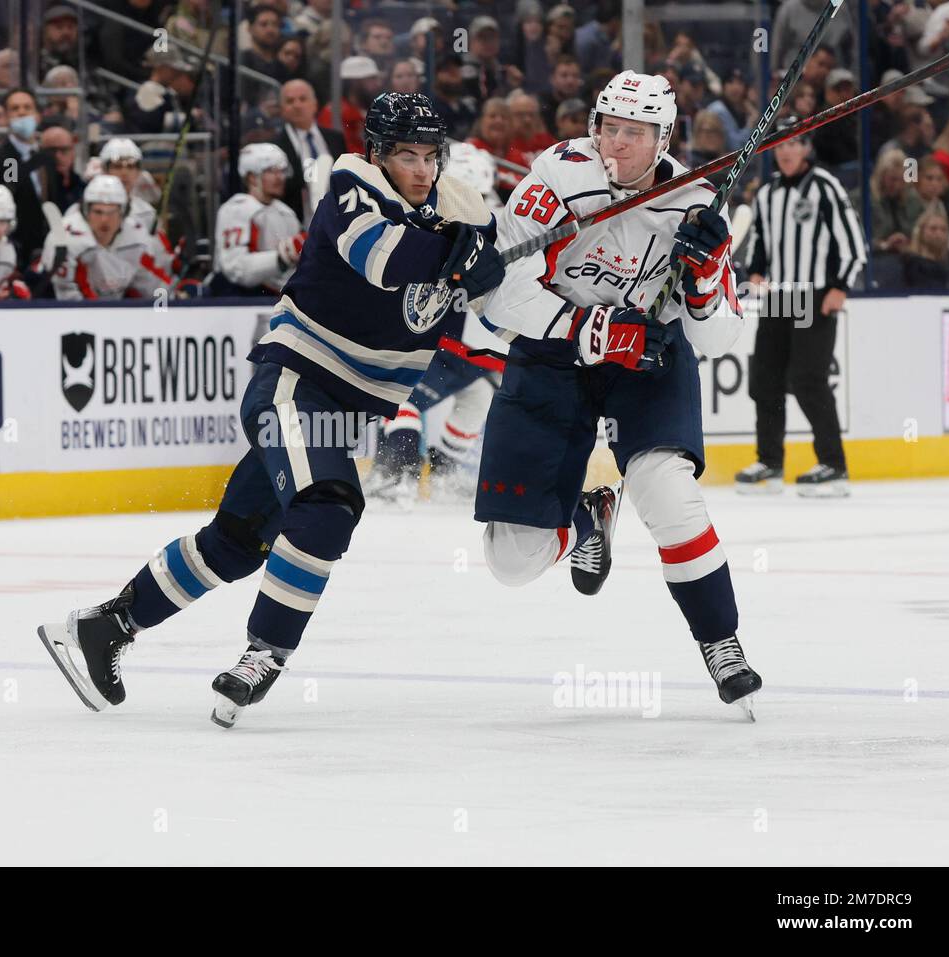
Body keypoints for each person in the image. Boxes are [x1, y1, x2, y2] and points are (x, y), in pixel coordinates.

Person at [37, 92, 504, 727]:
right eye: (405, 155)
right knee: (329, 505)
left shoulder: (459, 222)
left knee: (235, 545)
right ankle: (266, 653)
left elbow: (492, 319)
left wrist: (496, 273)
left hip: (347, 414)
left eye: (430, 157)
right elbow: (387, 259)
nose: (420, 170)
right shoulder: (351, 186)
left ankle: (104, 627)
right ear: (378, 154)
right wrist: (465, 258)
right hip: (293, 385)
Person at [477, 70, 763, 715]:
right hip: (553, 355)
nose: (616, 145)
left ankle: (722, 644)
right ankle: (587, 516)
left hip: (648, 358)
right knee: (511, 562)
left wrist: (701, 277)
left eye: (634, 134)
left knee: (670, 496)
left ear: (662, 139)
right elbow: (500, 294)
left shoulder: (693, 204)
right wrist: (590, 329)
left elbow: (718, 337)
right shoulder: (556, 176)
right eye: (609, 128)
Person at [365, 141, 505, 508]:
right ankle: (445, 473)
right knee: (476, 398)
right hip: (491, 347)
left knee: (402, 395)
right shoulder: (503, 217)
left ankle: (398, 473)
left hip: (452, 338)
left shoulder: (442, 216)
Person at [739, 117, 867, 497]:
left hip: (815, 294)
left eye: (794, 144)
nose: (786, 152)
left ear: (807, 147)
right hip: (781, 296)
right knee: (765, 380)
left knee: (808, 380)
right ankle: (770, 463)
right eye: (780, 146)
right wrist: (757, 272)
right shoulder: (767, 194)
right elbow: (760, 243)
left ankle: (833, 464)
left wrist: (840, 287)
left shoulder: (825, 187)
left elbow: (853, 244)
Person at [42, 175, 159, 299]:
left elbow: (150, 287)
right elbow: (66, 296)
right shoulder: (65, 237)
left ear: (123, 212)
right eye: (98, 212)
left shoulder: (138, 236)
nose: (105, 220)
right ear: (86, 211)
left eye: (112, 212)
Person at [210, 142, 304, 297]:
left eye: (282, 171)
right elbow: (236, 269)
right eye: (270, 171)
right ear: (252, 177)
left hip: (277, 298)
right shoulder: (237, 209)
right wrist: (282, 258)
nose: (279, 177)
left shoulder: (287, 214)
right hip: (238, 300)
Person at [0, 87, 51, 266]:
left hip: (47, 246)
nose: (22, 112)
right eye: (15, 108)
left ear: (38, 115)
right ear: (7, 117)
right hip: (13, 250)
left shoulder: (47, 158)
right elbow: (10, 190)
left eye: (27, 107)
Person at [273, 78, 346, 226]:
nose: (297, 105)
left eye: (303, 99)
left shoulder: (335, 138)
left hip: (338, 221)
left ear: (315, 104)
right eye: (290, 101)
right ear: (282, 109)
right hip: (298, 224)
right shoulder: (275, 147)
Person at [317, 56, 382, 155]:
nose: (377, 84)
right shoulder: (334, 112)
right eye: (371, 79)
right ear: (354, 82)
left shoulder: (373, 109)